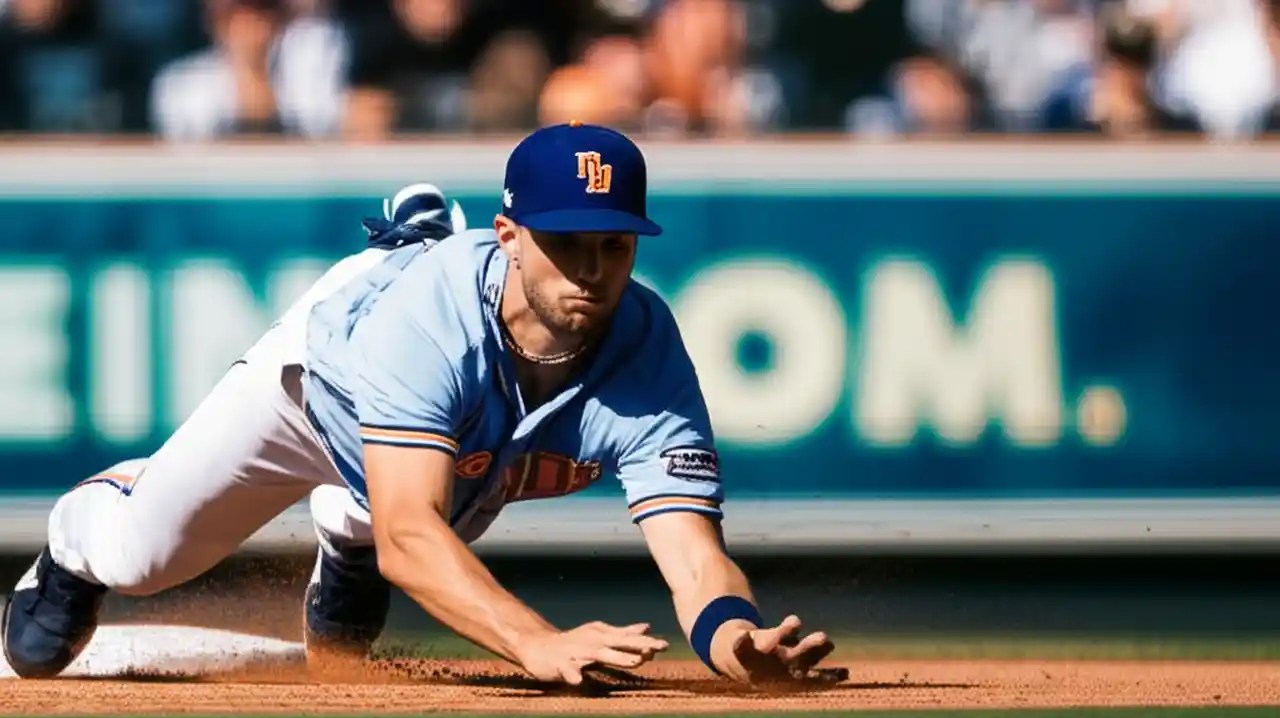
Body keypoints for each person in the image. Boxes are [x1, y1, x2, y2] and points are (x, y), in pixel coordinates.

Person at [2, 122, 836, 686]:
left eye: (613, 245)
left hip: (447, 441)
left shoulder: (644, 345)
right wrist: (534, 643)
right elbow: (413, 541)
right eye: (565, 243)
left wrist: (731, 637)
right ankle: (78, 540)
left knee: (455, 490)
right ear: (508, 235)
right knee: (145, 558)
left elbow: (693, 554)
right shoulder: (429, 322)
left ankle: (348, 521)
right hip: (319, 381)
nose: (590, 270)